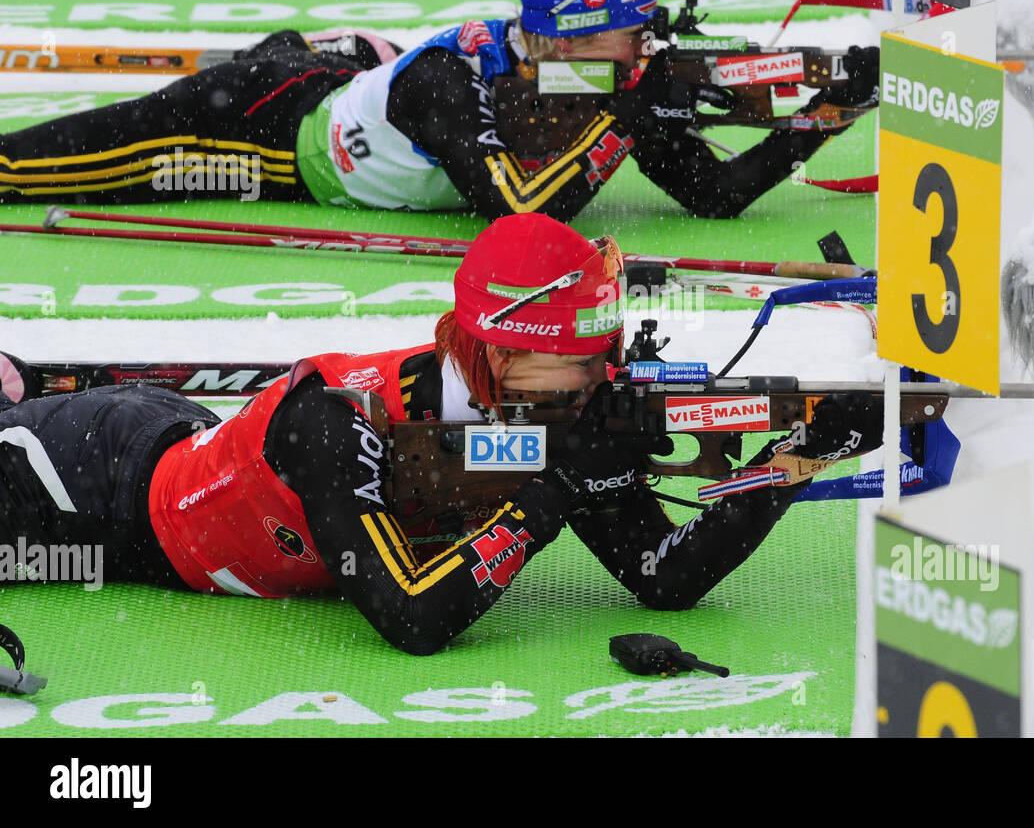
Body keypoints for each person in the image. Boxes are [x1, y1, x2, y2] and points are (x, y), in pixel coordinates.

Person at [0, 213, 883, 654]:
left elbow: (664, 575)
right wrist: (554, 493)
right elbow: (413, 616)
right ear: (499, 355)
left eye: (606, 353)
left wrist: (808, 451)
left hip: (183, 439)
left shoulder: (546, 417)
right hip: (89, 488)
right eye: (582, 360)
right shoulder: (337, 423)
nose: (602, 378)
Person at [0, 0, 880, 222]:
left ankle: (309, 49)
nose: (647, 47)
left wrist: (825, 116)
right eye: (631, 31)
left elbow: (712, 194)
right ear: (571, 37)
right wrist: (627, 115)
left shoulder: (593, 76)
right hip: (260, 133)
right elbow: (517, 210)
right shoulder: (449, 87)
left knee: (303, 54)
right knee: (34, 164)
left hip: (343, 83)